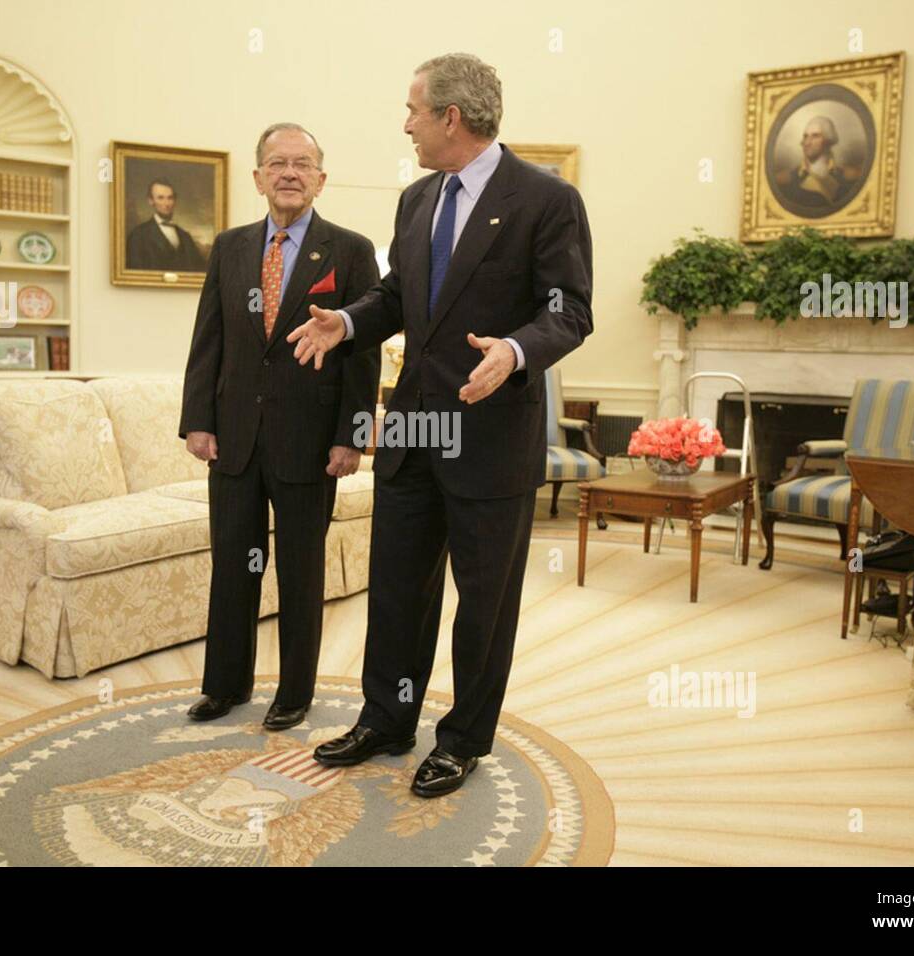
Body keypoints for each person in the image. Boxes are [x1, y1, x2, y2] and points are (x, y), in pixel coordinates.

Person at [286, 53, 593, 796]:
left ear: (450, 117)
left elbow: (570, 310)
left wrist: (517, 350)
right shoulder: (417, 198)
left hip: (490, 433)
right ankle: (386, 720)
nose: (407, 123)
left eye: (414, 110)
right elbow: (398, 297)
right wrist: (348, 323)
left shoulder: (546, 200)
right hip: (413, 433)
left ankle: (462, 740)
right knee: (396, 587)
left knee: (482, 603)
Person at [179, 123, 380, 730]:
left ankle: (294, 693)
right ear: (258, 177)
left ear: (321, 177)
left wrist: (353, 435)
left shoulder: (350, 250)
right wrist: (197, 421)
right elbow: (208, 339)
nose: (289, 173)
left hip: (309, 445)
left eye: (302, 163)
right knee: (233, 566)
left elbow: (363, 351)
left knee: (299, 572)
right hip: (234, 441)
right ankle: (226, 686)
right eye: (277, 163)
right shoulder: (230, 246)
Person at [127, 179, 209, 272]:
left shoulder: (185, 237)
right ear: (151, 201)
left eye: (170, 198)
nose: (166, 204)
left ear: (174, 200)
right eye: (160, 198)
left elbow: (200, 271)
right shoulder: (138, 235)